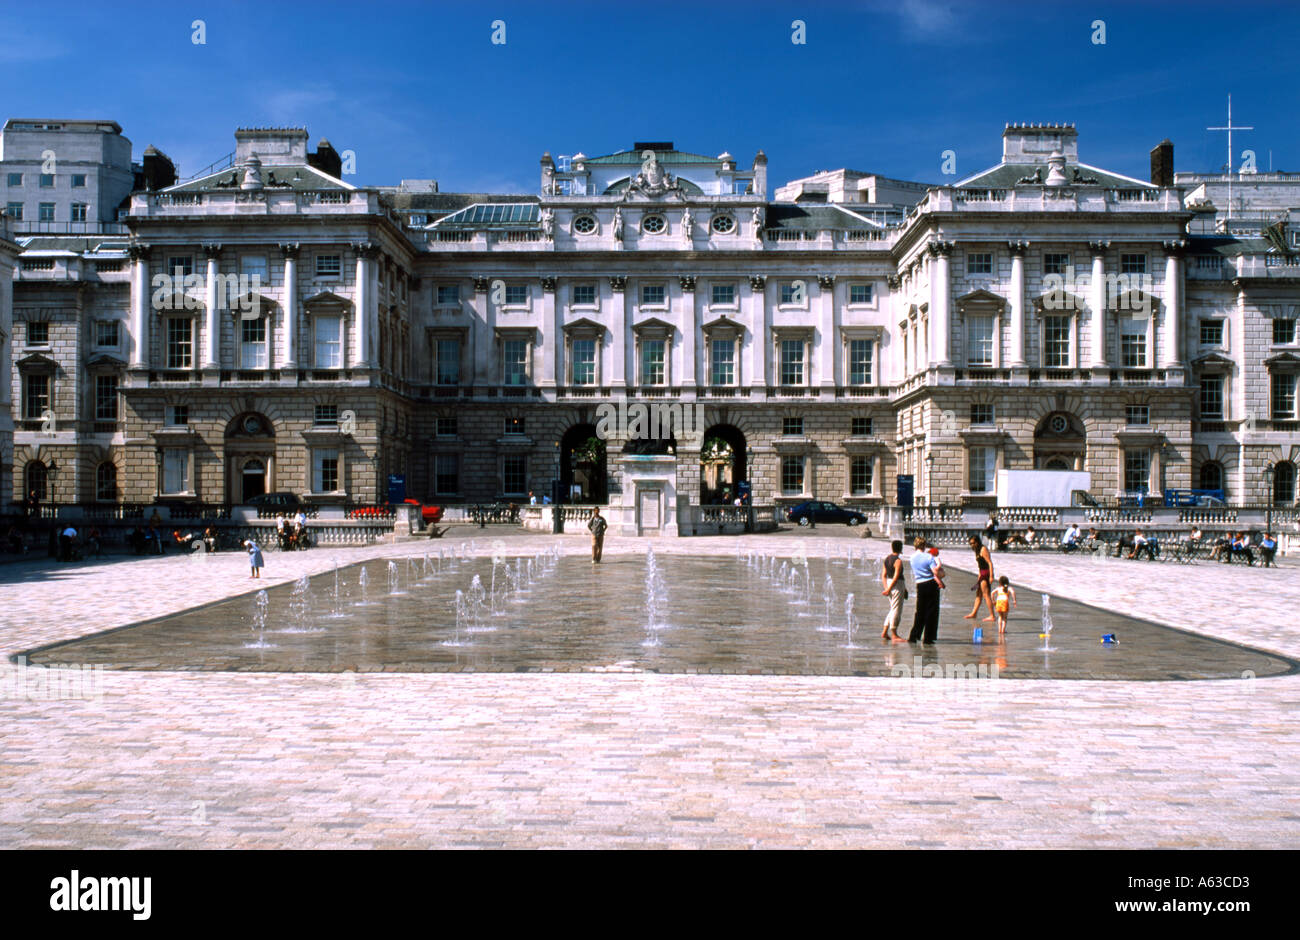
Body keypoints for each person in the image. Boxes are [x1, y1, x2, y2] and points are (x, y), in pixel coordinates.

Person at [907, 537, 944, 645]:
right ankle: (928, 637)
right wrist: (940, 567)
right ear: (924, 545)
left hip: (920, 584)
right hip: (931, 584)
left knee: (920, 611)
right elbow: (935, 572)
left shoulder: (912, 558)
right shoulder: (929, 557)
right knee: (931, 611)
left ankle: (914, 635)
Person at [879, 539, 907, 640]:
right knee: (896, 610)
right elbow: (897, 576)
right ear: (900, 548)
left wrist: (886, 587)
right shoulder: (898, 561)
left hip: (890, 584)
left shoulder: (887, 559)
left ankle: (885, 631)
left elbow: (883, 575)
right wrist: (889, 589)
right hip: (897, 585)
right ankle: (894, 633)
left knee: (892, 608)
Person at [964, 534, 995, 623]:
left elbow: (989, 563)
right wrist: (979, 575)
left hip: (986, 573)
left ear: (977, 542)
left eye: (973, 543)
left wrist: (991, 576)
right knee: (978, 595)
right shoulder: (976, 550)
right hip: (982, 573)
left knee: (986, 594)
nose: (972, 545)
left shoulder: (983, 549)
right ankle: (974, 613)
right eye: (970, 544)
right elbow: (980, 565)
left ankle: (992, 615)